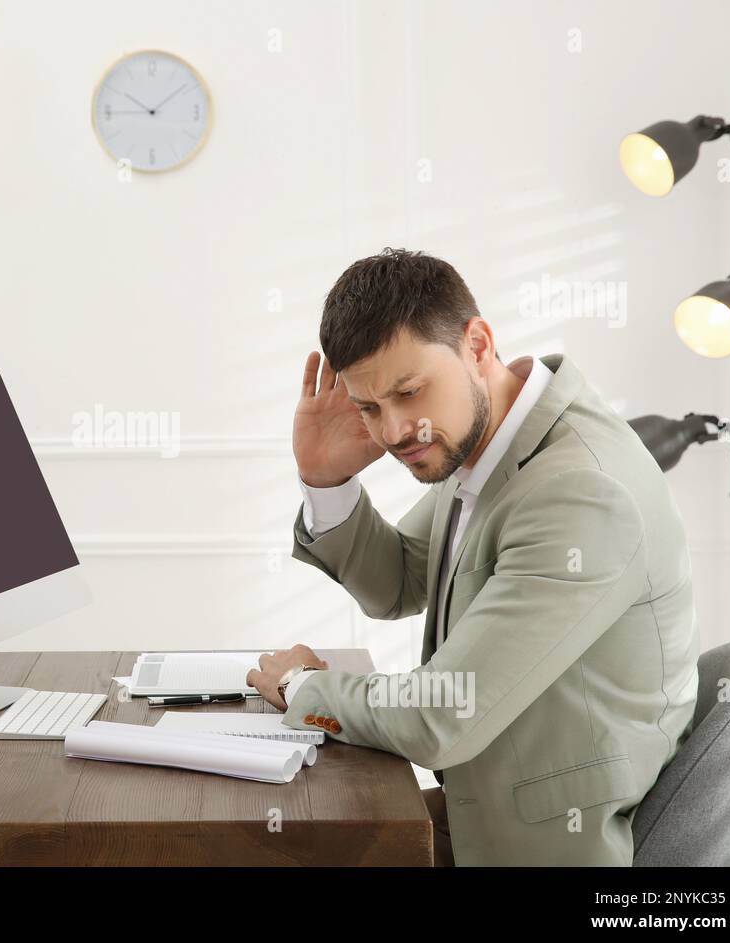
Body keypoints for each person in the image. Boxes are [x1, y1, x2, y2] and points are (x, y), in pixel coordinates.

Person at [246, 248, 699, 866]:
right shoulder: (499, 442)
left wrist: (302, 686)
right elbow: (398, 582)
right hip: (480, 812)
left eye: (409, 392)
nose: (396, 430)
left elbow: (439, 716)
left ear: (477, 344)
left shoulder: (577, 490)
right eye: (370, 408)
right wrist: (325, 481)